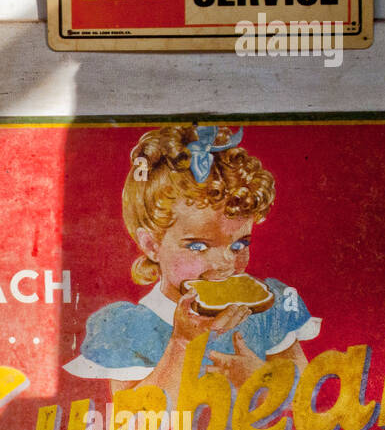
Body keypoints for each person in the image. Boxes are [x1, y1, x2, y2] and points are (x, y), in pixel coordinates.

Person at [63, 123, 319, 407]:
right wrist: (183, 343)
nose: (225, 263)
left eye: (239, 244)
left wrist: (259, 380)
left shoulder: (268, 311)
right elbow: (135, 427)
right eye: (198, 246)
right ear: (151, 245)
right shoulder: (129, 328)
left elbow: (307, 402)